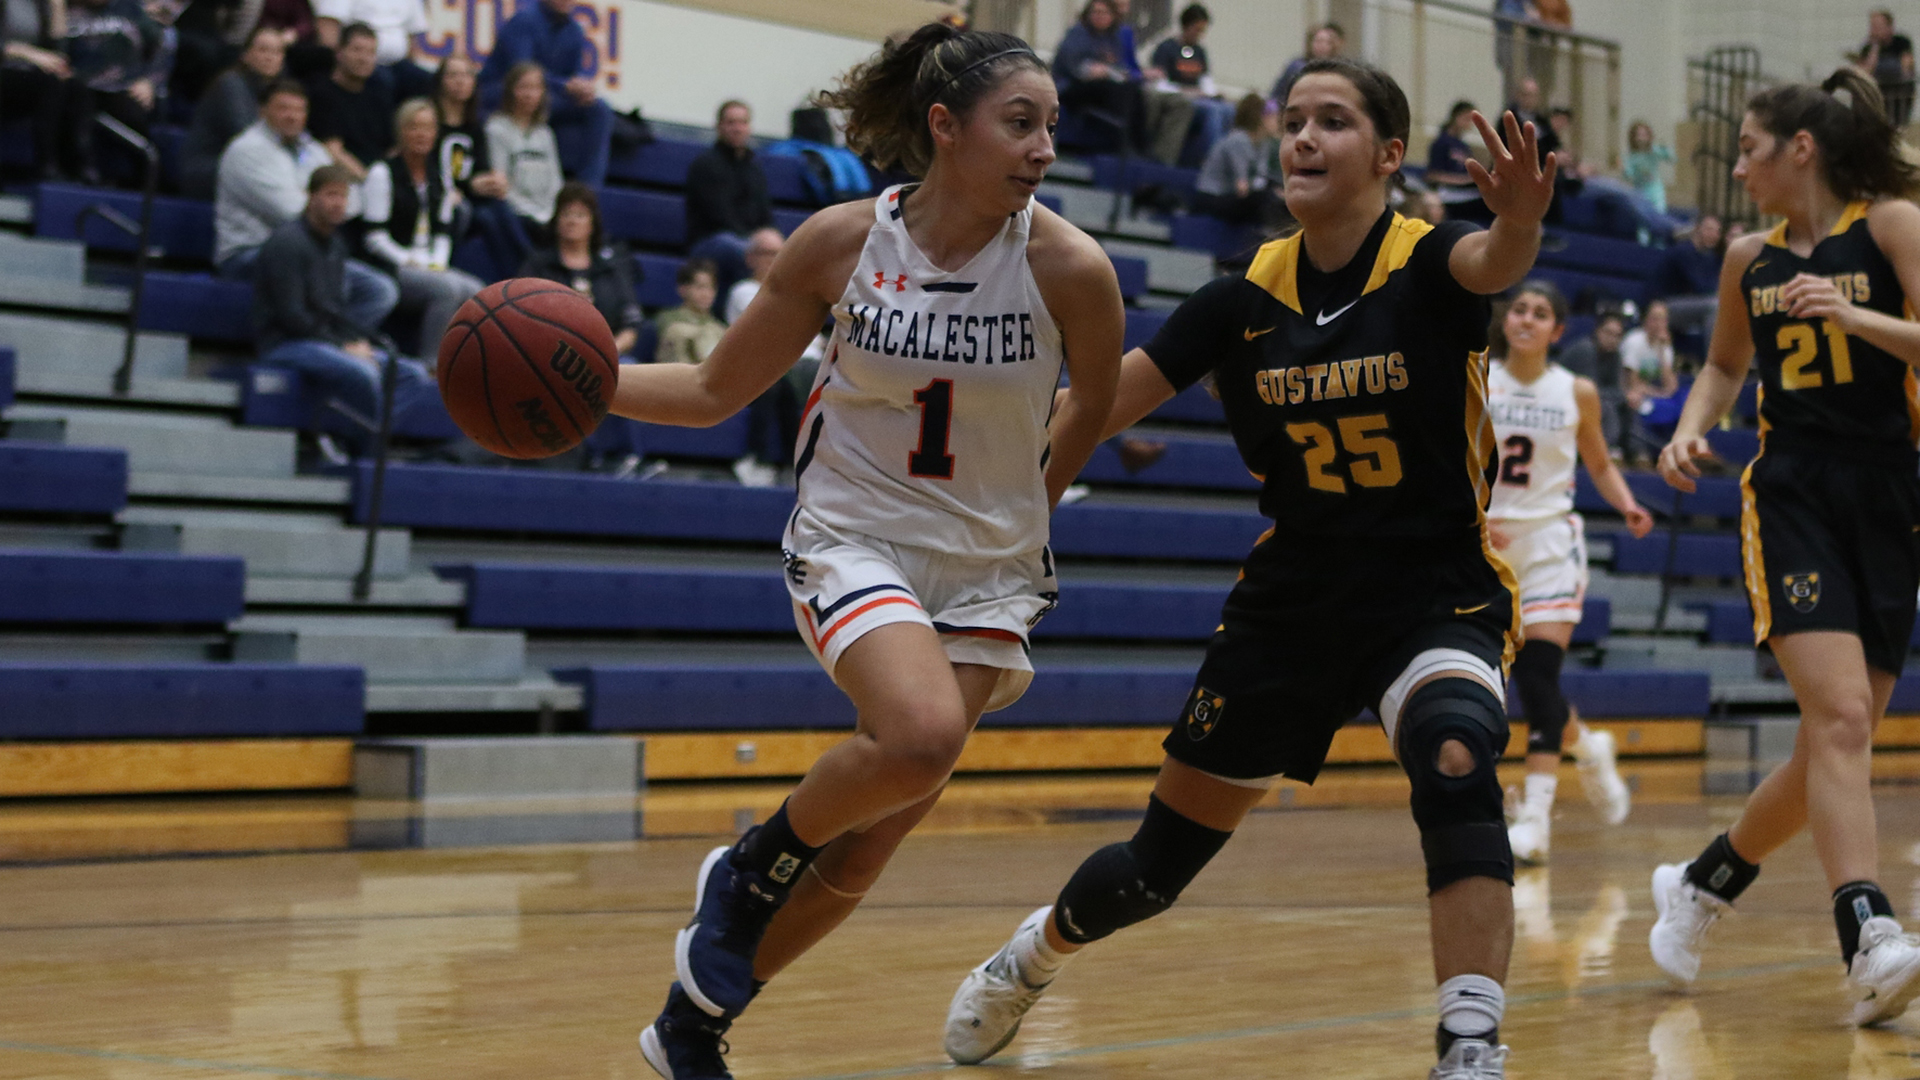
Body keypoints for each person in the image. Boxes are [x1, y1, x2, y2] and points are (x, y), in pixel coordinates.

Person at [944, 57, 1556, 1080]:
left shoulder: (1430, 262)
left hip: (1432, 589)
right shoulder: (1238, 301)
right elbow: (1096, 408)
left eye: (1333, 121)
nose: (1304, 137)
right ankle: (1032, 957)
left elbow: (1496, 259)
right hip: (1293, 605)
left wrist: (1523, 221)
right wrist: (996, 490)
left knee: (1456, 755)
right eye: (1293, 120)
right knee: (1155, 867)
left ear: (1389, 155)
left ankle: (1469, 1046)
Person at [613, 24, 1122, 1079]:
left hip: (991, 564)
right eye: (1019, 124)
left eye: (1051, 128)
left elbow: (1091, 405)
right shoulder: (842, 243)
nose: (1043, 149)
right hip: (858, 534)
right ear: (946, 127)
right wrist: (589, 388)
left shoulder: (1072, 267)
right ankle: (751, 864)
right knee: (921, 737)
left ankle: (690, 1027)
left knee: (872, 840)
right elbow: (711, 390)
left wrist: (1030, 514)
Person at [1647, 67, 1920, 1027]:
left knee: (1835, 741)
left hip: (1889, 493)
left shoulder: (1890, 226)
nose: (1738, 168)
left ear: (1800, 149)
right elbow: (1725, 366)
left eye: (1749, 149)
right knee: (1840, 719)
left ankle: (1703, 882)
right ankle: (1870, 937)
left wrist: (1853, 315)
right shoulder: (1745, 261)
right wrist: (1691, 429)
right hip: (1793, 493)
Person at [1488, 281, 1652, 866]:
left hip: (1549, 544)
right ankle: (1587, 746)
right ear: (1506, 320)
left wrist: (1627, 504)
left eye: (1541, 313)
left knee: (1537, 678)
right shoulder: (1478, 377)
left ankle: (1535, 822)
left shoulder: (1575, 390)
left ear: (1557, 331)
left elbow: (1599, 463)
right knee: (1497, 681)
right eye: (1520, 309)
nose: (1527, 319)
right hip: (1485, 544)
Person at [253, 164, 438, 457]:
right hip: (285, 342)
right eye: (331, 195)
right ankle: (364, 453)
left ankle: (357, 441)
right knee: (363, 372)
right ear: (311, 196)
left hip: (323, 340)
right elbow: (291, 316)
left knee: (411, 374)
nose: (338, 203)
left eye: (343, 196)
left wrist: (353, 341)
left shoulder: (336, 246)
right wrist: (342, 346)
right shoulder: (286, 244)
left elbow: (334, 311)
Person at [213, 78, 398, 333]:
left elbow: (352, 202)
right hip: (249, 253)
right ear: (263, 111)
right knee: (336, 285)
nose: (292, 116)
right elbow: (291, 211)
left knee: (380, 290)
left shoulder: (310, 149)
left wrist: (315, 198)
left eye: (299, 110)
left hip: (311, 250)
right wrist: (320, 201)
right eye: (283, 108)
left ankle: (340, 341)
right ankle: (324, 342)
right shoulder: (247, 150)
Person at [520, 182, 654, 477]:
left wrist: (605, 352)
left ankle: (628, 458)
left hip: (606, 354)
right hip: (550, 356)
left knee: (625, 370)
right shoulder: (539, 265)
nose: (572, 221)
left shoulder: (611, 267)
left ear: (593, 224)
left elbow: (631, 324)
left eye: (580, 215)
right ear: (556, 221)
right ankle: (590, 457)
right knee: (574, 372)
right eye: (566, 214)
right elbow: (520, 319)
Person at [357, 97, 484, 348]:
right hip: (391, 265)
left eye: (427, 128)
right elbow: (374, 239)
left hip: (428, 262)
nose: (421, 134)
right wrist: (410, 261)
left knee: (477, 291)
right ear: (400, 132)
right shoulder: (382, 173)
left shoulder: (440, 176)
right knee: (447, 289)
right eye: (413, 127)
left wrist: (436, 262)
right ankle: (431, 362)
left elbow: (443, 232)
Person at [477, 0, 613, 186]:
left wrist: (581, 87)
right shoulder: (524, 21)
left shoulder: (574, 30)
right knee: (530, 93)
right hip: (501, 92)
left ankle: (589, 189)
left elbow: (574, 74)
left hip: (548, 94)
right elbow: (520, 72)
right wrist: (564, 85)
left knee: (599, 109)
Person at [61, 0, 173, 186]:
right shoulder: (64, 10)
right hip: (77, 85)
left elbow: (162, 47)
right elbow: (54, 48)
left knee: (133, 112)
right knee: (76, 103)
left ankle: (151, 182)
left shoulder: (130, 9)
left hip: (121, 87)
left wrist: (148, 81)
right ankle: (84, 173)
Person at [430, 54, 522, 278]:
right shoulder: (430, 122)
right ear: (440, 82)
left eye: (467, 75)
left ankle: (526, 271)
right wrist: (469, 185)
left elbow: (479, 170)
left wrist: (492, 182)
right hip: (441, 197)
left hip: (470, 196)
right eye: (453, 75)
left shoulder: (475, 127)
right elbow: (429, 168)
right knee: (483, 216)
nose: (460, 81)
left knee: (502, 209)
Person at [181, 25, 286, 198]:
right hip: (209, 168)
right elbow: (245, 136)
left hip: (245, 166)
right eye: (263, 50)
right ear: (245, 54)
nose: (270, 57)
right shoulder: (230, 84)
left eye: (277, 52)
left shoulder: (278, 92)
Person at [684, 99, 773, 298]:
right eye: (731, 122)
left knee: (778, 252)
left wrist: (770, 241)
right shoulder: (705, 165)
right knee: (743, 251)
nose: (737, 128)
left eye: (743, 122)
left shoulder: (755, 169)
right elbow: (719, 217)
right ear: (719, 127)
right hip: (709, 242)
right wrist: (756, 244)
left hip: (744, 241)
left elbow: (765, 215)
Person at [1052, 0, 1159, 159]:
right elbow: (1073, 66)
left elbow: (1120, 66)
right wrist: (1094, 70)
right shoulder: (1078, 33)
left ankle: (1139, 145)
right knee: (1118, 91)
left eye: (1104, 13)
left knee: (1133, 90)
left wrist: (1116, 72)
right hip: (1073, 87)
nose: (1099, 17)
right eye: (1095, 12)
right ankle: (1123, 142)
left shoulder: (1113, 38)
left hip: (1105, 85)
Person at [484, 60, 563, 246]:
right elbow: (501, 183)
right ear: (511, 91)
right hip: (517, 212)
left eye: (535, 88)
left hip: (546, 213)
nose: (529, 94)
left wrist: (550, 212)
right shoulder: (497, 129)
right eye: (523, 87)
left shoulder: (545, 133)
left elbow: (556, 180)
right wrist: (529, 211)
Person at [307, 21, 393, 181]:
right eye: (357, 50)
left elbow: (391, 148)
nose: (364, 58)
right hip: (343, 180)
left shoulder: (379, 94)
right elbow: (333, 150)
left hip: (379, 177)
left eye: (371, 52)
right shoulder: (322, 94)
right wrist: (368, 180)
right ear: (339, 52)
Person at [1147, 3, 1233, 163]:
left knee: (1228, 110)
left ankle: (1223, 160)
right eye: (1197, 29)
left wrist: (1213, 93)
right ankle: (1209, 160)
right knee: (1213, 113)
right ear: (1186, 26)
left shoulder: (1199, 52)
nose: (1200, 35)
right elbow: (1160, 84)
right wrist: (1189, 92)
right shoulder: (1167, 48)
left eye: (1203, 31)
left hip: (1198, 96)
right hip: (1178, 97)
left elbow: (1205, 81)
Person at [3, 0, 73, 182]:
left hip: (27, 76)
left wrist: (58, 9)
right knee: (49, 84)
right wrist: (26, 53)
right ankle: (46, 165)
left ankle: (80, 168)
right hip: (5, 69)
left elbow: (59, 54)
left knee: (72, 85)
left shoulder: (41, 4)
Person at [311, 0, 428, 99]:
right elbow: (328, 29)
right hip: (360, 63)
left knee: (424, 81)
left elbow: (413, 36)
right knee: (384, 81)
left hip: (399, 63)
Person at [1191, 93, 1277, 225]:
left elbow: (1261, 177)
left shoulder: (1264, 144)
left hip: (1231, 196)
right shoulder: (1239, 140)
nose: (1278, 122)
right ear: (1261, 118)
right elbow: (1241, 186)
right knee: (1265, 199)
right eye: (1273, 117)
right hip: (1212, 197)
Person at [1556, 310, 1629, 452]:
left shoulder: (1615, 355)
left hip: (1590, 397)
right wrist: (1622, 395)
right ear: (1597, 331)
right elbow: (1590, 393)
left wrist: (1626, 397)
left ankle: (1638, 452)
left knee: (1629, 405)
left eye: (1617, 336)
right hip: (1563, 398)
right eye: (1608, 333)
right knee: (1606, 407)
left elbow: (1616, 389)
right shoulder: (1586, 349)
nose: (1612, 339)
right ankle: (1605, 451)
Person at [1655, 214, 1724, 339]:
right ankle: (1714, 352)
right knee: (1715, 306)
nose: (1713, 235)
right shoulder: (1683, 252)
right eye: (1709, 229)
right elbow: (1701, 287)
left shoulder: (1711, 258)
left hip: (1693, 306)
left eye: (1717, 231)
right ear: (1697, 229)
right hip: (1666, 306)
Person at [650, 258, 723, 366]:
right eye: (700, 287)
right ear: (683, 289)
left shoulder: (719, 328)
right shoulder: (668, 319)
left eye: (711, 288)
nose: (706, 294)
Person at [1857, 9, 1914, 126]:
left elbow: (1906, 66)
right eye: (1873, 26)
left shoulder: (1901, 42)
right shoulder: (1868, 48)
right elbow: (1865, 71)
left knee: (1898, 125)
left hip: (1899, 92)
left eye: (1879, 26)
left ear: (1889, 27)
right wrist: (1875, 46)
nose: (1875, 30)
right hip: (1879, 93)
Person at [1269, 21, 1341, 105]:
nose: (1322, 46)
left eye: (1327, 42)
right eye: (1318, 41)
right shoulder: (1296, 67)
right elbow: (1276, 95)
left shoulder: (1338, 69)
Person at [723, 227, 783, 324]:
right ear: (750, 257)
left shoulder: (788, 290)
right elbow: (768, 321)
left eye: (778, 254)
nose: (772, 259)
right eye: (766, 253)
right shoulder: (743, 290)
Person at [1622, 119, 1674, 215]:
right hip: (1639, 191)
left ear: (1649, 136)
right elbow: (1628, 175)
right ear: (1633, 137)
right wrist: (1624, 168)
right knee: (1642, 217)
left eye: (1644, 135)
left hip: (1655, 190)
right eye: (1638, 135)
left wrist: (1664, 149)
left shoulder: (1654, 150)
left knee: (1658, 215)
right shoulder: (1631, 157)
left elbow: (1671, 158)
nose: (1641, 138)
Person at [1427, 100, 1478, 187]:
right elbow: (1433, 175)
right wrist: (1463, 181)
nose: (1469, 124)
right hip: (1445, 188)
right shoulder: (1442, 142)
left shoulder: (1464, 146)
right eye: (1466, 119)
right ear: (1456, 117)